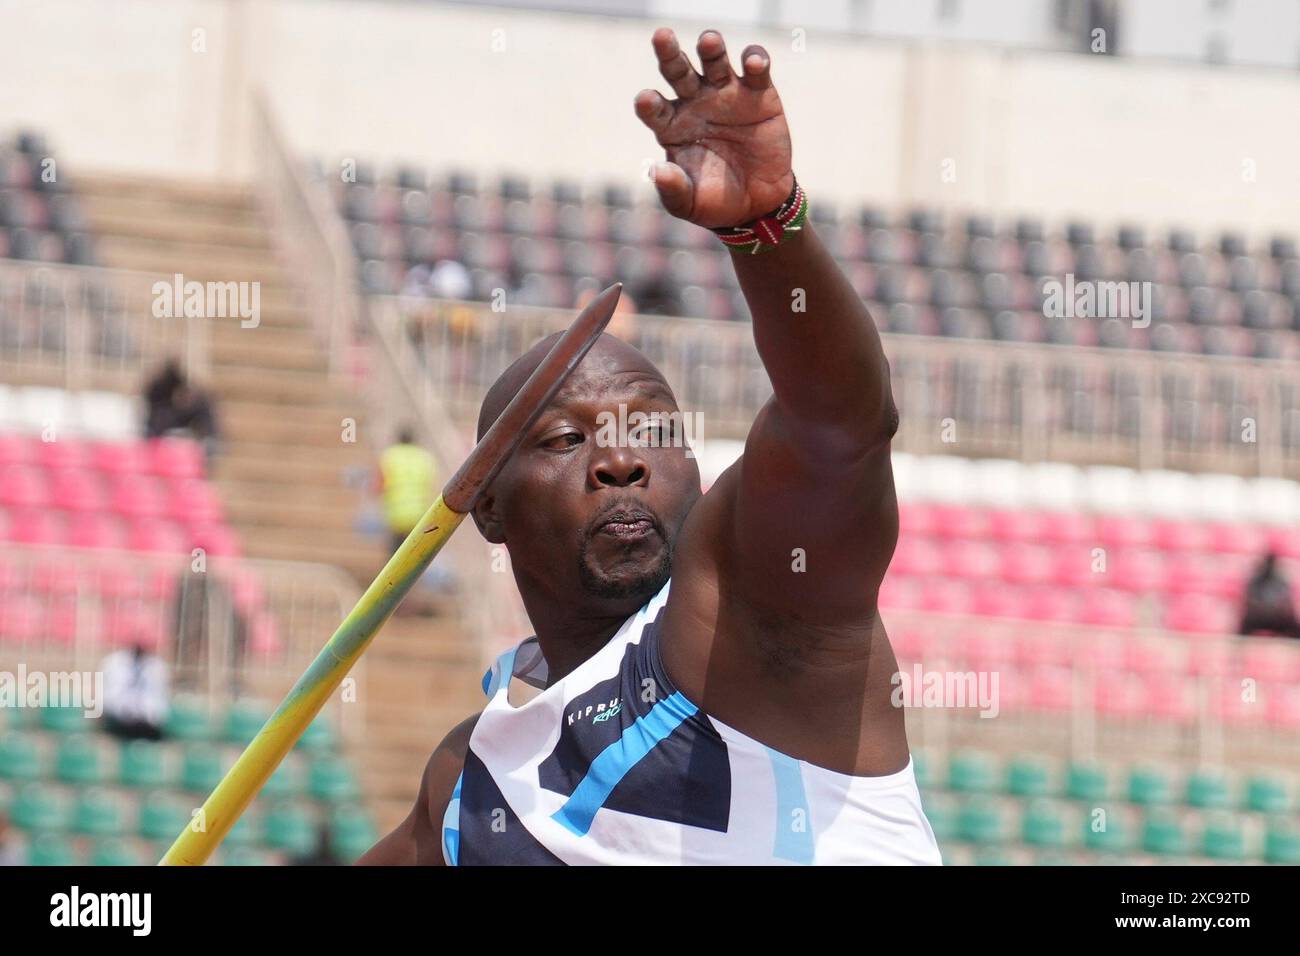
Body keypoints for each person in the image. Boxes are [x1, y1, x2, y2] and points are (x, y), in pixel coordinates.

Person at [360, 28, 939, 866]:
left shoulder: (754, 610)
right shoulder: (471, 782)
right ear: (486, 506)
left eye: (653, 430)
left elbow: (841, 427)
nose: (621, 459)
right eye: (565, 438)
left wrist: (769, 232)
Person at [377, 427, 437, 556]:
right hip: (418, 514)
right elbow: (430, 485)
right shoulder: (424, 458)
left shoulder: (390, 456)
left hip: (395, 514)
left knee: (394, 556)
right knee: (414, 554)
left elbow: (380, 485)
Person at [101, 641, 170, 741]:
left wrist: (147, 715)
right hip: (120, 723)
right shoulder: (115, 663)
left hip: (148, 725)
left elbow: (160, 702)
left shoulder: (156, 666)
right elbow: (109, 699)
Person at [1240, 552, 1300, 638]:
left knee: (1294, 627)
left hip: (1278, 617)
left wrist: (1277, 610)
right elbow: (1249, 600)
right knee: (1244, 624)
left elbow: (1286, 601)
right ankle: (1239, 647)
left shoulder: (1281, 580)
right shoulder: (1256, 580)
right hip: (1258, 616)